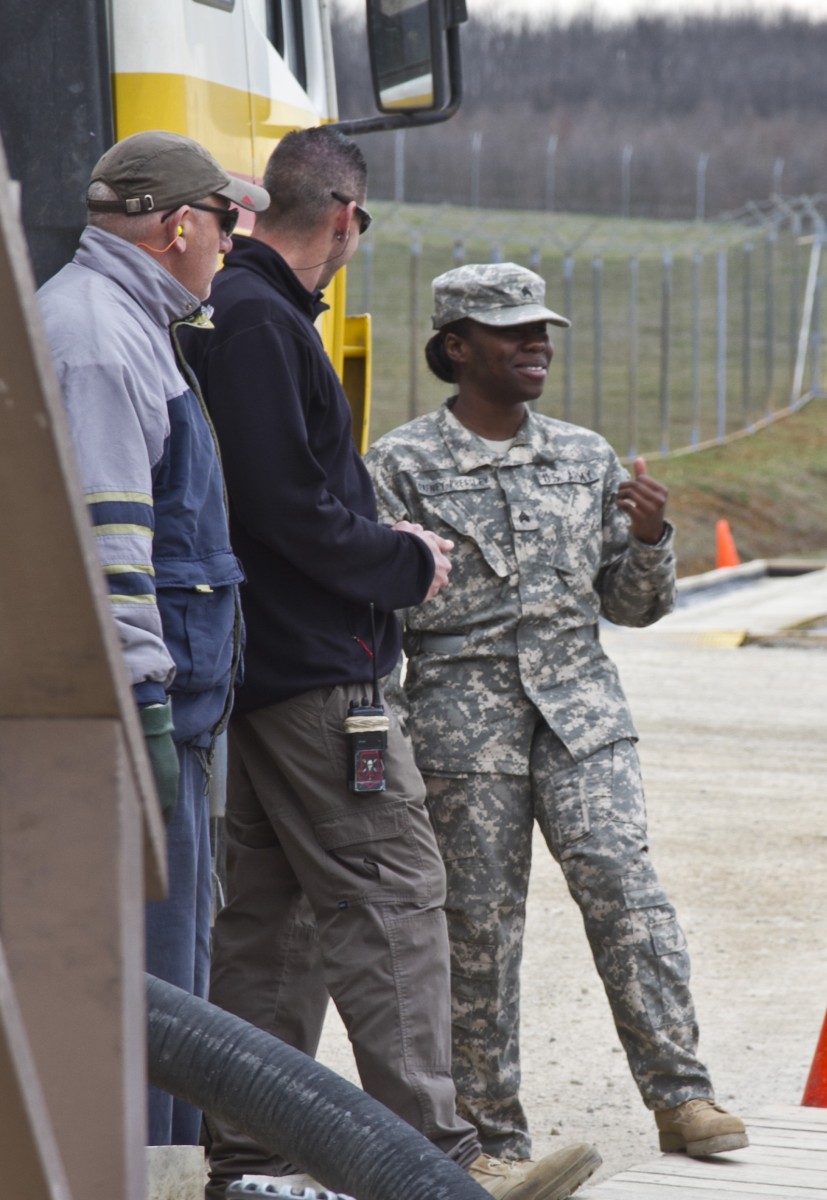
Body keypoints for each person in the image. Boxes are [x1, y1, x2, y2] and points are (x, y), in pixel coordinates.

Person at [181, 128, 600, 1200]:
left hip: (257, 672)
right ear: (344, 218)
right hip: (319, 676)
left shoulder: (237, 313)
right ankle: (437, 1166)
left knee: (270, 925)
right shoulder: (269, 324)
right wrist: (399, 559)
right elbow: (285, 510)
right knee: (393, 898)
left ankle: (251, 1161)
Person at [365, 262, 750, 1164]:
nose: (536, 344)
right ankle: (490, 1135)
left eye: (542, 329)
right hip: (462, 725)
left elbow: (631, 604)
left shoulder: (585, 456)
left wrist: (652, 540)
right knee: (479, 927)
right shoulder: (400, 465)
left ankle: (681, 1097)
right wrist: (382, 732)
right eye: (512, 331)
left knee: (625, 891)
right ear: (456, 346)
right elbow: (377, 613)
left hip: (581, 715)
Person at [37, 129, 271, 1147]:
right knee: (150, 981)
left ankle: (163, 1159)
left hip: (169, 706)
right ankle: (148, 1168)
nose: (230, 240)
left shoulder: (124, 321)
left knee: (174, 975)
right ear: (180, 225)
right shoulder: (97, 338)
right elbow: (108, 544)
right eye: (224, 221)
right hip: (144, 718)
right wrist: (142, 706)